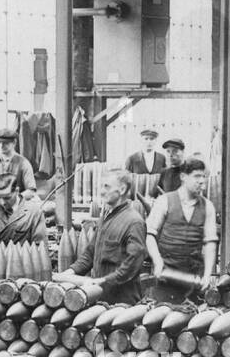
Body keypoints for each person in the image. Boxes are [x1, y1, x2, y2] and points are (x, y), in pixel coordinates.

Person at [64, 169, 147, 303]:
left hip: (122, 303)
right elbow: (90, 254)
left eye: (106, 186)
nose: (101, 191)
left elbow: (132, 265)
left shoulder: (134, 222)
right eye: (101, 186)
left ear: (122, 189)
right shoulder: (105, 218)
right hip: (100, 297)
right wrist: (69, 273)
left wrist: (102, 281)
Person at [145, 157, 218, 302]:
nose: (202, 181)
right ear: (183, 177)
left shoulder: (208, 206)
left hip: (193, 279)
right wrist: (158, 262)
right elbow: (150, 236)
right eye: (197, 176)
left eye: (204, 177)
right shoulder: (164, 201)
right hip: (166, 276)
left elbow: (210, 243)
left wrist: (208, 274)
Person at [0, 173, 48, 243]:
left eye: (7, 198)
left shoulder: (34, 212)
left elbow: (40, 246)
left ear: (17, 191)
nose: (3, 202)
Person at [0, 127, 37, 201]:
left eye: (6, 143)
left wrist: (18, 197)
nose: (1, 146)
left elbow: (31, 190)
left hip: (16, 208)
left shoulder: (24, 163)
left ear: (14, 142)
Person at [125, 128, 168, 200]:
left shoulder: (161, 158)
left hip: (156, 198)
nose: (149, 142)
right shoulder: (132, 159)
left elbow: (164, 179)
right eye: (146, 139)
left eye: (152, 139)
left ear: (156, 141)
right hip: (137, 199)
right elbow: (126, 180)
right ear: (141, 140)